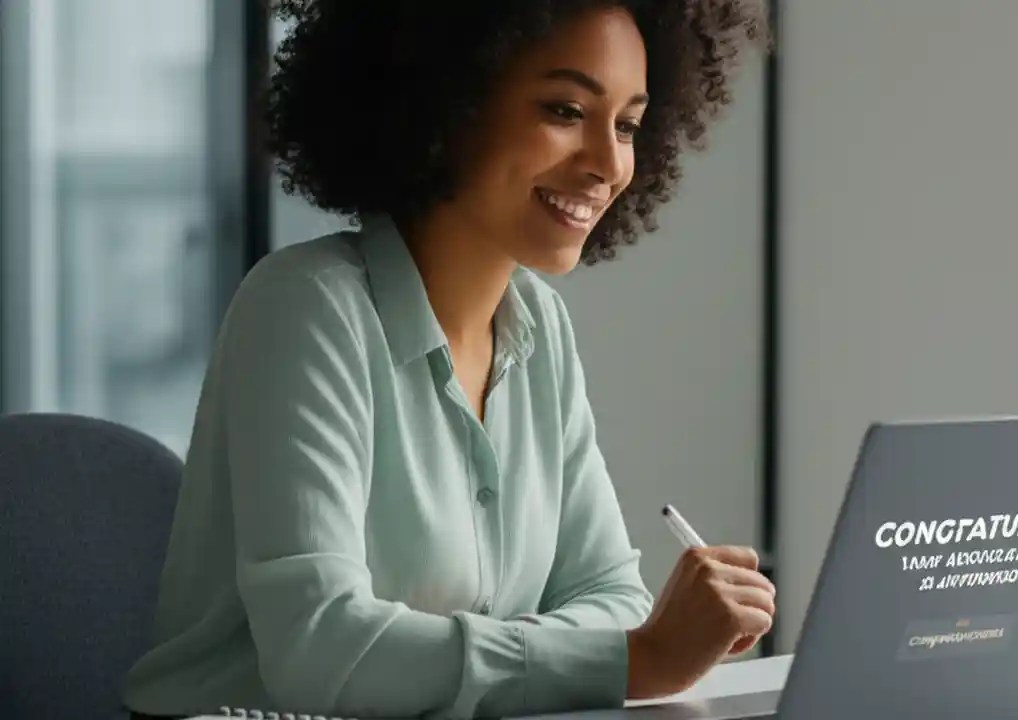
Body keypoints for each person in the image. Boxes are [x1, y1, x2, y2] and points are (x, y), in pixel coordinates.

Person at [123, 1, 772, 718]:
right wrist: (632, 659)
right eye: (565, 109)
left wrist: (586, 652)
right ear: (446, 104)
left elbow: (614, 595)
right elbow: (321, 651)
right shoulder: (306, 308)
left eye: (626, 125)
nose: (609, 163)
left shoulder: (540, 328)